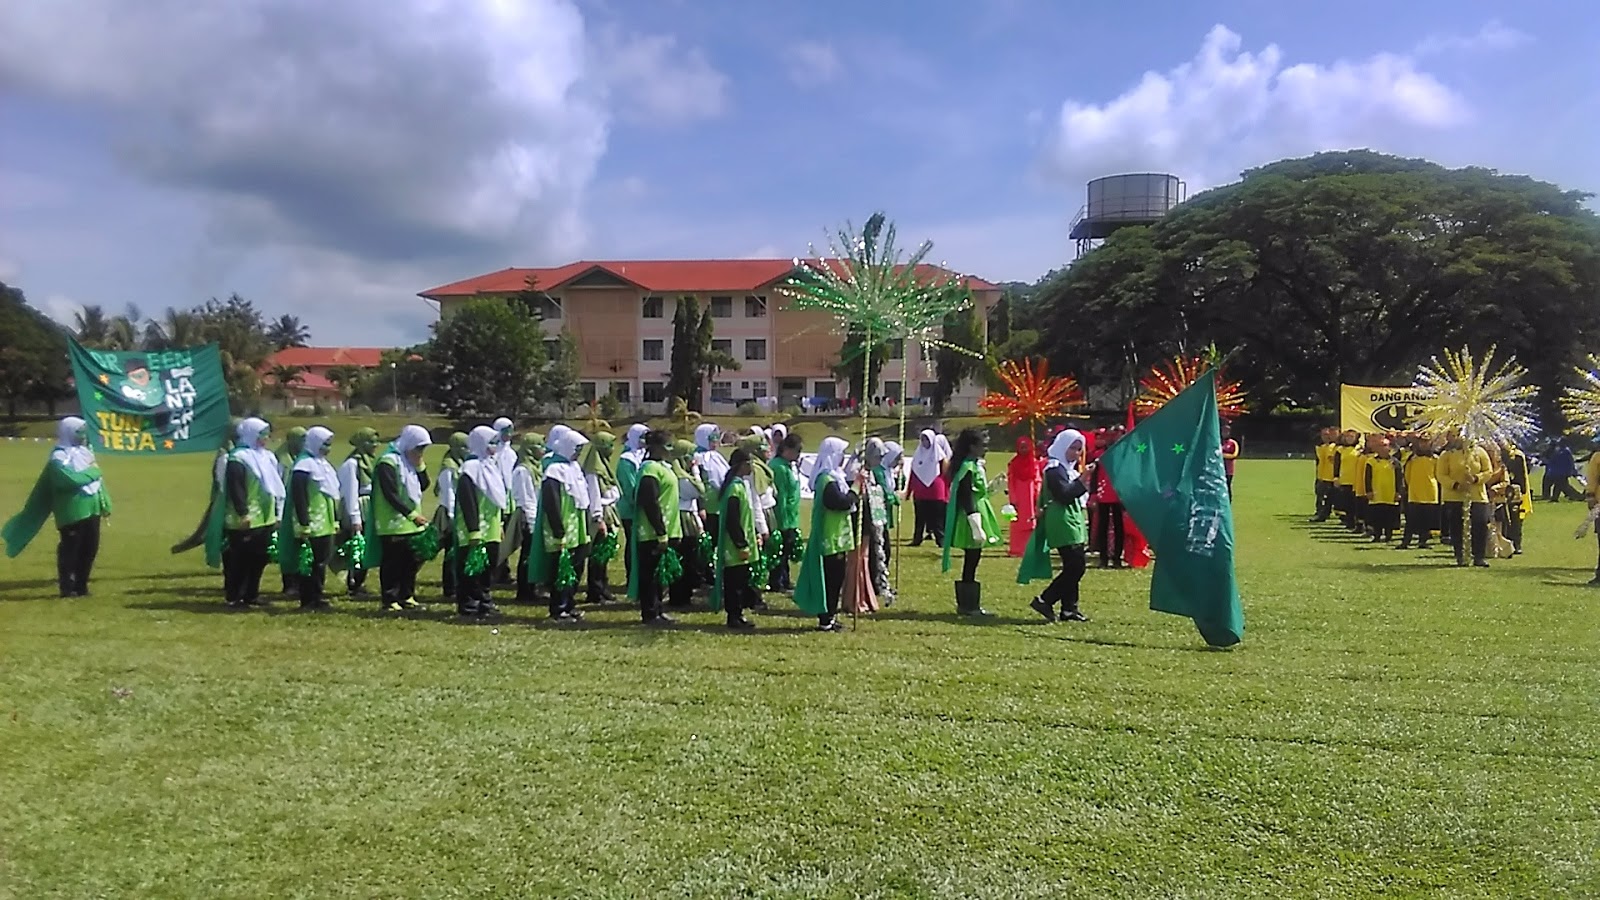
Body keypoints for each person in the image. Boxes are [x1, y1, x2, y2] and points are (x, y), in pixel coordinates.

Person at [3, 416, 112, 597]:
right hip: (72, 511)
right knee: (71, 548)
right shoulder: (59, 457)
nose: (83, 436)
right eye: (79, 432)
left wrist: (105, 502)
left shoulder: (86, 453)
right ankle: (67, 587)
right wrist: (93, 472)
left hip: (93, 509)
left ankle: (81, 585)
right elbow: (68, 480)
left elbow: (99, 483)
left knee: (90, 548)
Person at [1019, 428, 1091, 623]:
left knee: (1072, 565)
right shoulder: (1054, 468)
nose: (1076, 453)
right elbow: (1063, 494)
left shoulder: (1067, 468)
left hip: (1071, 519)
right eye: (1072, 448)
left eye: (1079, 449)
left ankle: (1069, 609)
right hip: (1061, 520)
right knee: (1076, 566)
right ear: (1061, 446)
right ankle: (1045, 600)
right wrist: (1083, 479)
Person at [530, 427, 596, 622]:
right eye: (576, 448)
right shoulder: (554, 470)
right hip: (561, 529)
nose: (578, 453)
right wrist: (558, 530)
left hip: (577, 529)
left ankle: (569, 603)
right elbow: (552, 502)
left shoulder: (574, 468)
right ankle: (558, 609)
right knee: (561, 570)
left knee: (575, 568)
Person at [793, 436, 856, 632]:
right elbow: (839, 503)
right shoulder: (826, 480)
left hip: (837, 537)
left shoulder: (834, 478)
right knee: (831, 580)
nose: (843, 458)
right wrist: (855, 489)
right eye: (841, 454)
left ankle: (831, 615)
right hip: (830, 538)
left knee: (836, 579)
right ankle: (826, 618)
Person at [367, 425, 432, 612]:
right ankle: (390, 599)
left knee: (410, 562)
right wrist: (411, 515)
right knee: (392, 563)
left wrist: (420, 465)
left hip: (411, 523)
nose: (420, 452)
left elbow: (424, 484)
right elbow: (390, 494)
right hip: (392, 522)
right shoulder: (388, 462)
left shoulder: (409, 462)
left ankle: (406, 595)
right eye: (418, 448)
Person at [223, 417, 285, 608]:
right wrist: (243, 513)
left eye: (266, 435)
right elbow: (236, 488)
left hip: (265, 517)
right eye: (261, 435)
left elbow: (275, 485)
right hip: (244, 519)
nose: (265, 439)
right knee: (241, 559)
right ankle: (235, 595)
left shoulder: (266, 457)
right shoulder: (238, 458)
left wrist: (277, 512)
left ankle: (252, 594)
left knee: (259, 558)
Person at [942, 428, 1000, 617]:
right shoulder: (967, 468)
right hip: (971, 515)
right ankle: (968, 604)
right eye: (982, 445)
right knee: (972, 558)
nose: (985, 449)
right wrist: (975, 524)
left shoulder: (975, 465)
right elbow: (966, 496)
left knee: (974, 558)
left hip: (978, 510)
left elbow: (978, 491)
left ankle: (969, 603)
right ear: (972, 447)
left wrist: (992, 488)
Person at [626, 429, 680, 625]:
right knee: (650, 575)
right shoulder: (649, 470)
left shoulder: (663, 467)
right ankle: (650, 613)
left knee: (659, 575)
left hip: (667, 529)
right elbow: (650, 502)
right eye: (667, 446)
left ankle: (658, 609)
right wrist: (660, 532)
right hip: (652, 533)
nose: (670, 450)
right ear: (655, 448)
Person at [454, 425, 507, 618]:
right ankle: (469, 604)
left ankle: (484, 601)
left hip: (491, 528)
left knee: (488, 567)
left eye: (496, 442)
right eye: (491, 442)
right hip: (473, 529)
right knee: (471, 568)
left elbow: (497, 499)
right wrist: (473, 529)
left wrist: (500, 524)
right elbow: (468, 501)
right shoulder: (470, 469)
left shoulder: (491, 466)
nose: (494, 446)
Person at [286, 425, 340, 610]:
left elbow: (331, 495)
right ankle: (307, 599)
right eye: (325, 444)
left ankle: (317, 596)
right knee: (310, 562)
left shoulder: (322, 464)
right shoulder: (303, 466)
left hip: (325, 522)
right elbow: (299, 496)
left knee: (321, 562)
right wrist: (304, 523)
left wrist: (335, 519)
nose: (328, 448)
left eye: (329, 444)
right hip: (310, 523)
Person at [711, 448, 760, 630]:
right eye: (749, 463)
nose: (752, 467)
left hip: (739, 544)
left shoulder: (739, 486)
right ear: (741, 465)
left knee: (740, 580)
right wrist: (741, 544)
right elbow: (732, 520)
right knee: (734, 583)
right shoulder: (734, 489)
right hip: (734, 546)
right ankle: (734, 616)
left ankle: (738, 614)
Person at [337, 427, 380, 597]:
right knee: (357, 546)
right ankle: (353, 583)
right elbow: (350, 492)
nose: (375, 445)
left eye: (376, 441)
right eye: (370, 441)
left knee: (365, 547)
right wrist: (355, 517)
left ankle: (359, 582)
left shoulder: (371, 462)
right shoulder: (352, 464)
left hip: (369, 508)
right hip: (357, 508)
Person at [583, 430, 622, 603]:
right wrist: (598, 519)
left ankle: (604, 587)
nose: (612, 449)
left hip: (609, 512)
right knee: (597, 555)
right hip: (601, 515)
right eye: (609, 445)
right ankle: (595, 590)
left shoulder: (605, 467)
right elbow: (594, 496)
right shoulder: (594, 470)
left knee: (604, 554)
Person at [669, 439, 706, 608]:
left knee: (690, 557)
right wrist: (695, 471)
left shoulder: (684, 474)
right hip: (682, 517)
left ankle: (686, 593)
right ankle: (679, 596)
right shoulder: (680, 476)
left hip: (689, 515)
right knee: (684, 556)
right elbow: (698, 490)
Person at [432, 432, 469, 598]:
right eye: (464, 447)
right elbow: (448, 494)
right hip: (448, 513)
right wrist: (453, 516)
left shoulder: (460, 464)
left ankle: (455, 585)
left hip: (457, 511)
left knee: (455, 550)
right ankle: (450, 588)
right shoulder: (449, 467)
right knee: (451, 551)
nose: (467, 450)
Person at [508, 433, 543, 604]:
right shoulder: (523, 470)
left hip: (535, 514)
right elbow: (525, 498)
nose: (543, 450)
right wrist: (532, 522)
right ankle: (524, 591)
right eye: (539, 446)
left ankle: (532, 587)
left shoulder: (536, 467)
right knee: (527, 554)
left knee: (533, 554)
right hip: (527, 516)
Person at [274, 426, 308, 597]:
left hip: (300, 505)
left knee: (301, 545)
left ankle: (302, 581)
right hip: (285, 508)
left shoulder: (301, 459)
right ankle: (289, 583)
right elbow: (277, 487)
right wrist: (278, 513)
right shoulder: (281, 460)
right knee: (288, 547)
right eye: (301, 440)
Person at [614, 423, 650, 581]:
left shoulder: (643, 454)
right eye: (642, 437)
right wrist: (640, 503)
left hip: (644, 508)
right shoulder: (626, 460)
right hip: (630, 510)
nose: (645, 441)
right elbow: (629, 487)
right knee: (633, 543)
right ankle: (632, 578)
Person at [768, 432, 804, 592]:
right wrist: (781, 521)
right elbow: (780, 495)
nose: (799, 454)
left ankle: (785, 579)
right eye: (797, 450)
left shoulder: (788, 466)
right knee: (780, 550)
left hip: (791, 515)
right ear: (787, 449)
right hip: (783, 517)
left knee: (787, 549)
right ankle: (777, 581)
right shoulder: (779, 467)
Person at [907, 429, 949, 546]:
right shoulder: (917, 456)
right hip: (920, 492)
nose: (924, 442)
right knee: (919, 518)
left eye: (926, 439)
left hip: (936, 492)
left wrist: (946, 493)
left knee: (937, 519)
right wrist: (908, 491)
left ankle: (941, 540)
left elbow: (946, 475)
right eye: (922, 439)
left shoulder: (940, 456)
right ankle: (917, 539)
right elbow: (913, 473)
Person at [1397, 436, 1440, 550]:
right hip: (1415, 493)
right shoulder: (1412, 458)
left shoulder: (1435, 459)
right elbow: (1407, 474)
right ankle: (1406, 541)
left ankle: (1423, 541)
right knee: (1411, 520)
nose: (1424, 444)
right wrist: (1409, 486)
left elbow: (1438, 474)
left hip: (1430, 492)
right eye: (1422, 442)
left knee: (1427, 519)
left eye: (1426, 442)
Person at [491, 417, 519, 585]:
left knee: (507, 537)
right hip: (498, 497)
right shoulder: (494, 452)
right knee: (498, 536)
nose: (509, 434)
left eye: (510, 431)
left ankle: (503, 571)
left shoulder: (511, 453)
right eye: (505, 431)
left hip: (510, 498)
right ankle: (496, 572)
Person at [1006, 436, 1043, 558]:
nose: (1024, 450)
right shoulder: (1013, 464)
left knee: (1031, 521)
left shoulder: (1034, 463)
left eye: (1026, 447)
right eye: (1021, 447)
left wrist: (1038, 494)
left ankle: (1030, 547)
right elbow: (1010, 482)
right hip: (1018, 497)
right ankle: (1017, 548)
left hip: (1031, 497)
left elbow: (1037, 479)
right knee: (1018, 522)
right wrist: (1013, 498)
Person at [1363, 437, 1401, 544]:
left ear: (1389, 448)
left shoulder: (1395, 462)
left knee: (1389, 516)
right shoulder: (1371, 462)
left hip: (1390, 494)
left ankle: (1388, 535)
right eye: (1380, 446)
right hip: (1377, 494)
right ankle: (1377, 535)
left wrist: (1398, 492)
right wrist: (1368, 491)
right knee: (1377, 516)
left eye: (1385, 445)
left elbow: (1399, 478)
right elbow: (1367, 478)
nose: (1383, 448)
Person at [1501, 441, 1530, 554]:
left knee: (1515, 518)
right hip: (1499, 489)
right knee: (1501, 518)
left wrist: (1522, 491)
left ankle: (1516, 543)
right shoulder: (1495, 452)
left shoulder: (1517, 456)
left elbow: (1522, 475)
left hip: (1514, 490)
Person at [1311, 427, 1338, 521]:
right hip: (1322, 475)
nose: (1327, 437)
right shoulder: (1320, 447)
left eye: (1329, 435)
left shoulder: (1336, 447)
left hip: (1333, 477)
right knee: (1321, 496)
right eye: (1324, 435)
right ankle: (1321, 513)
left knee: (1331, 497)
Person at [1220, 423, 1240, 495]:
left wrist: (1222, 455)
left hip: (1229, 470)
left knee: (1227, 486)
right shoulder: (1218, 442)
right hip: (1220, 469)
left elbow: (1234, 454)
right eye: (1224, 431)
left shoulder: (1233, 443)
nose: (1225, 433)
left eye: (1227, 431)